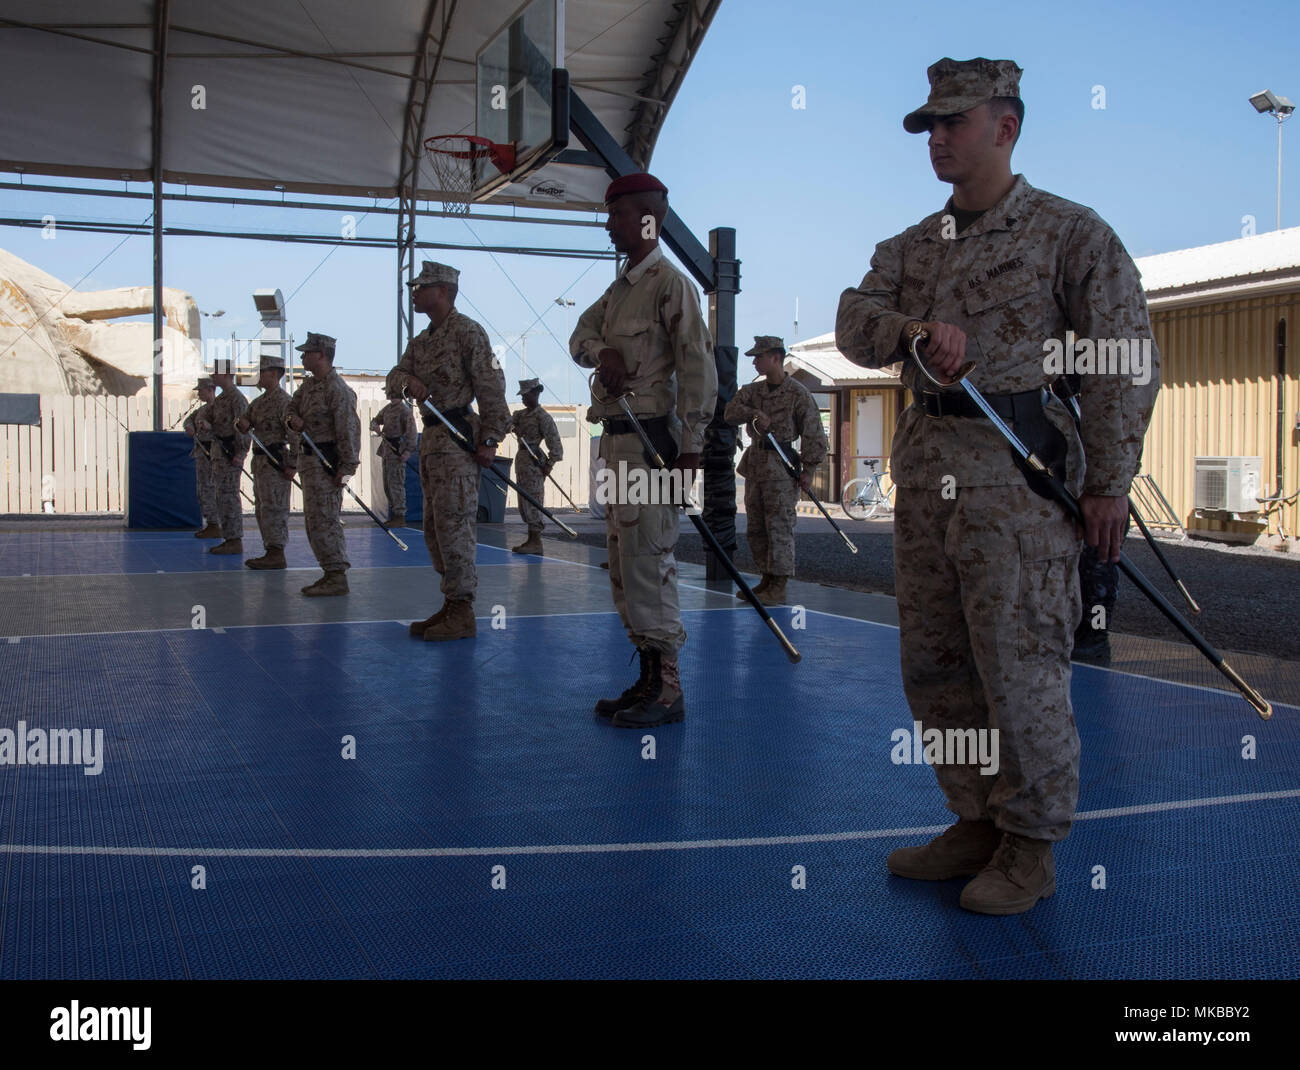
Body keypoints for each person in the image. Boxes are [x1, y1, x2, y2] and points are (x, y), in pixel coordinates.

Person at [835, 57, 1159, 914]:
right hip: (929, 478)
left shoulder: (1070, 234)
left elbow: (1121, 362)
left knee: (1019, 666)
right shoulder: (911, 247)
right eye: (928, 126)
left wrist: (1109, 482)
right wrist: (911, 330)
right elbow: (853, 324)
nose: (936, 138)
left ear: (1005, 127)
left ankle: (1031, 843)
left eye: (953, 122)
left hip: (1018, 483)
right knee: (938, 667)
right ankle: (973, 819)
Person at [570, 172, 717, 728]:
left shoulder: (669, 286)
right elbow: (578, 335)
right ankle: (649, 676)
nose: (609, 224)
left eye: (617, 214)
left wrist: (691, 451)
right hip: (616, 445)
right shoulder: (618, 290)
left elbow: (698, 367)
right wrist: (602, 350)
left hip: (653, 445)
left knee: (649, 561)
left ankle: (669, 689)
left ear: (648, 217)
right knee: (624, 565)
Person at [386, 262, 510, 641]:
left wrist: (490, 439)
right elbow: (392, 379)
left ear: (443, 290)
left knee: (455, 527)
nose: (415, 292)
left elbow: (492, 387)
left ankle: (463, 610)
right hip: (433, 443)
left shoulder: (468, 332)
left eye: (421, 286)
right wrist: (409, 383)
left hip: (459, 442)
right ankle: (451, 602)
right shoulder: (420, 342)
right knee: (435, 530)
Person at [723, 336, 828, 605]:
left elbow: (814, 433)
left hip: (781, 469)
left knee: (779, 527)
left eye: (759, 357)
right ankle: (766, 579)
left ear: (776, 358)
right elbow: (729, 412)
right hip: (756, 465)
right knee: (756, 527)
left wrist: (809, 470)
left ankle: (779, 585)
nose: (755, 362)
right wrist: (754, 413)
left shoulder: (798, 393)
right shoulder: (752, 391)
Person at [286, 332, 360, 597]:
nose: (303, 356)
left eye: (307, 353)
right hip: (308, 461)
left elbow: (348, 430)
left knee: (325, 519)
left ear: (321, 355)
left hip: (326, 462)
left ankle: (336, 574)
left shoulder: (337, 390)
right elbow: (289, 409)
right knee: (314, 520)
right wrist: (294, 421)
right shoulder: (307, 387)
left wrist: (347, 466)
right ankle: (329, 571)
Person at [238, 354, 298, 570]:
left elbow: (294, 437)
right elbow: (244, 420)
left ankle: (276, 551)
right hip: (261, 462)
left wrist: (292, 464)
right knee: (262, 508)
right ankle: (269, 549)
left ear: (274, 374)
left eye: (262, 372)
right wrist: (242, 423)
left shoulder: (285, 402)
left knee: (275, 507)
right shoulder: (258, 403)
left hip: (276, 462)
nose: (259, 377)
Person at [509, 377, 563, 555]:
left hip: (534, 462)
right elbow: (505, 423)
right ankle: (531, 539)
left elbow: (555, 445)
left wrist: (550, 464)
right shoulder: (520, 415)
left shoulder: (543, 417)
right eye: (522, 395)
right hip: (522, 460)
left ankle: (535, 541)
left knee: (533, 499)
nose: (523, 398)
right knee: (523, 502)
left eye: (526, 395)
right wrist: (512, 427)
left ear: (535, 393)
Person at [204, 358, 250, 556]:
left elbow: (244, 429)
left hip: (230, 453)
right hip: (219, 455)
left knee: (230, 497)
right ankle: (228, 536)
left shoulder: (237, 399)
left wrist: (240, 453)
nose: (213, 377)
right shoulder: (221, 400)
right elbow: (208, 417)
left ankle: (234, 539)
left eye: (215, 373)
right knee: (222, 497)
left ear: (225, 374)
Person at [370, 385, 417, 528]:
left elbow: (411, 433)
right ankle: (394, 513)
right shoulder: (388, 409)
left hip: (397, 451)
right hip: (387, 450)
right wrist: (375, 426)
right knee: (387, 484)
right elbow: (375, 420)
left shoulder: (405, 411)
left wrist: (408, 451)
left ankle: (400, 515)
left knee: (396, 483)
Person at [183, 376, 221, 538]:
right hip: (201, 455)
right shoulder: (202, 410)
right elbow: (188, 421)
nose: (199, 394)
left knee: (213, 488)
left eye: (201, 391)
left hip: (214, 453)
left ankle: (217, 522)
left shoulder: (220, 408)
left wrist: (210, 427)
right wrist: (190, 426)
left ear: (210, 390)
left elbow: (227, 428)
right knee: (203, 489)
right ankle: (211, 522)